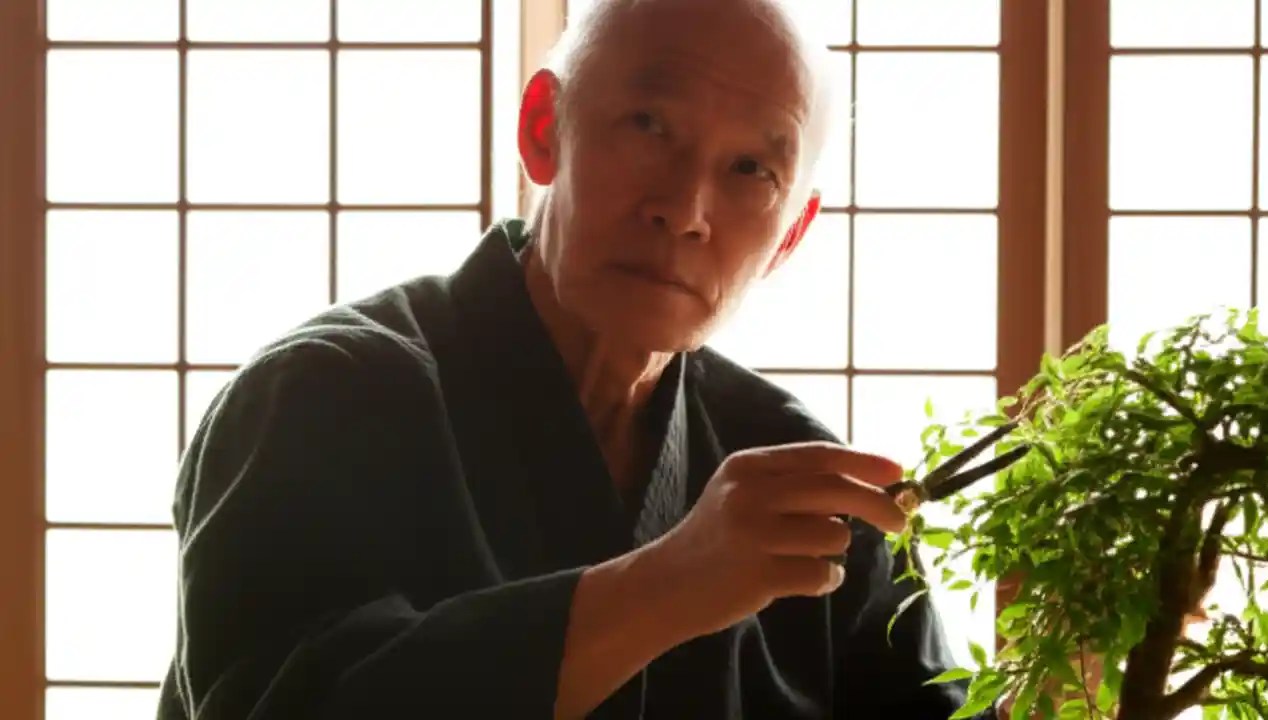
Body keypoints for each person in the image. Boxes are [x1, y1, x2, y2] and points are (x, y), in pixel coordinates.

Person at [156, 0, 999, 717]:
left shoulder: (798, 485)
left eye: (751, 168)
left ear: (791, 235)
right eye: (650, 126)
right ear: (542, 130)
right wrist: (666, 585)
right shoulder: (319, 397)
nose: (685, 209)